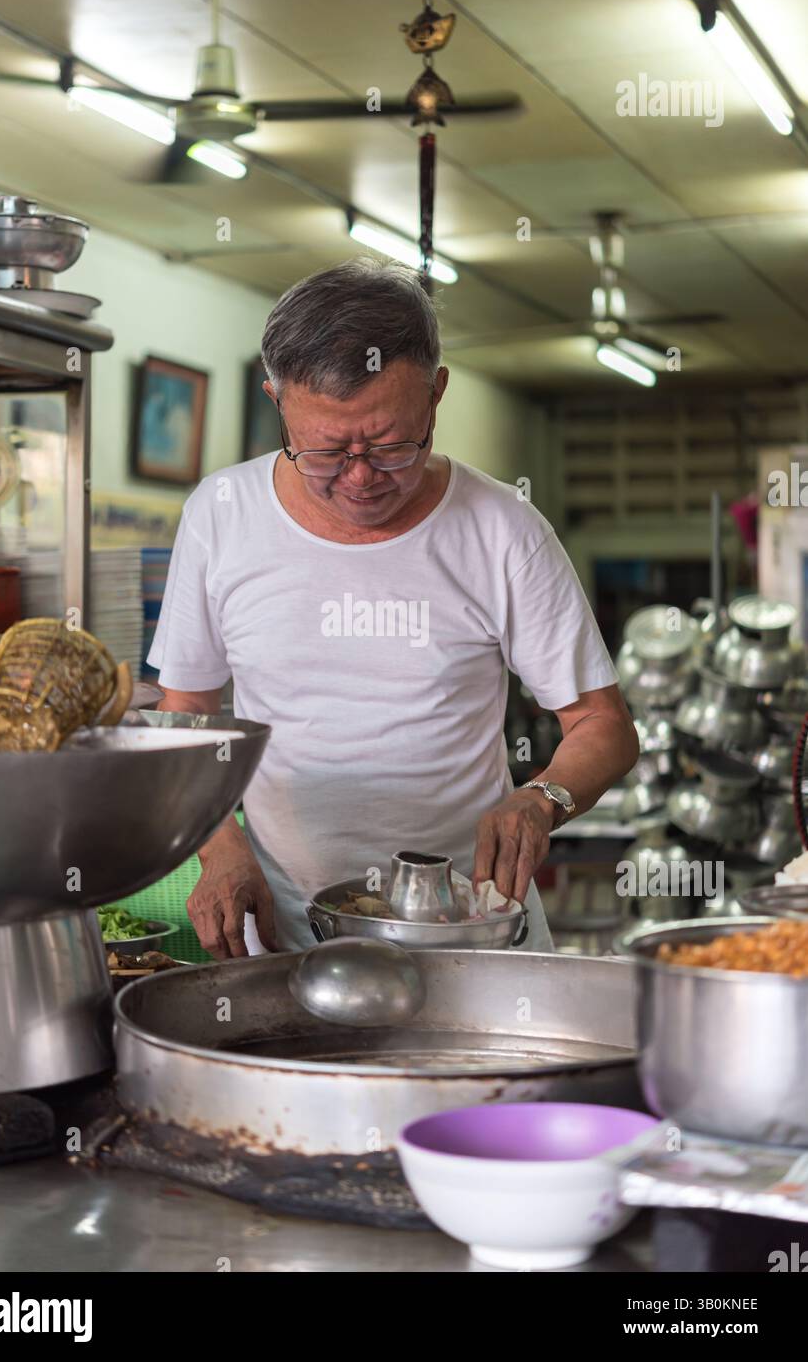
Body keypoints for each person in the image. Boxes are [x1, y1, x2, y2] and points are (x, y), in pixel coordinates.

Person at [148, 258, 638, 958]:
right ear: (276, 401)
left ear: (436, 395)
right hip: (290, 933)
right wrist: (218, 844)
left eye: (390, 447)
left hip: (474, 928)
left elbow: (602, 724)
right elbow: (186, 713)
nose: (359, 478)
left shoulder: (503, 529)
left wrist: (543, 798)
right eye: (325, 452)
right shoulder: (220, 514)